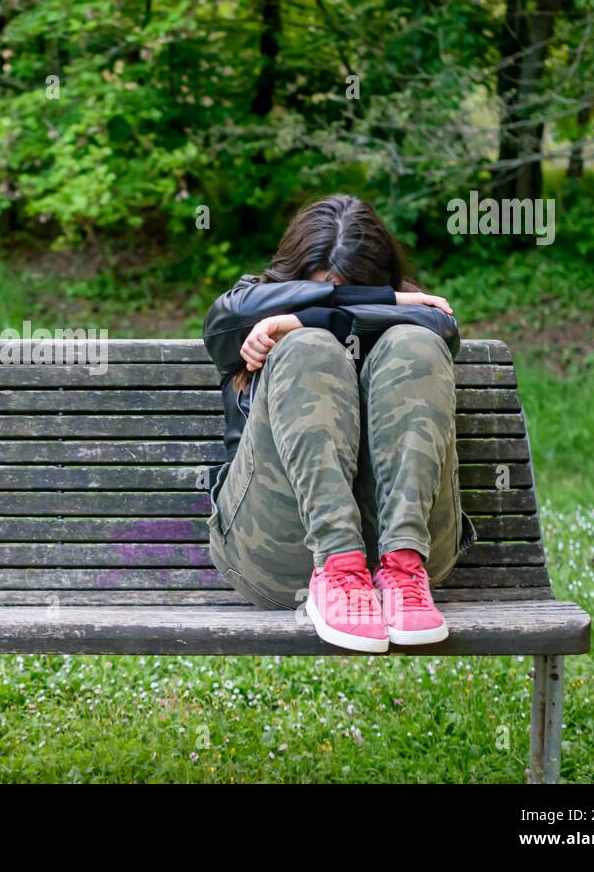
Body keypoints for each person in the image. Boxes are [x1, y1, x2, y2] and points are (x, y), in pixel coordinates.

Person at [201, 193, 476, 652]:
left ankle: (401, 565)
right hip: (279, 548)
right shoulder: (249, 313)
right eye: (318, 287)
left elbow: (443, 329)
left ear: (379, 281)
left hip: (416, 557)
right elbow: (220, 322)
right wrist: (310, 322)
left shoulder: (410, 318)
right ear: (291, 275)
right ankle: (337, 566)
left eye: (354, 289)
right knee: (307, 347)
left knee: (416, 342)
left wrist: (315, 313)